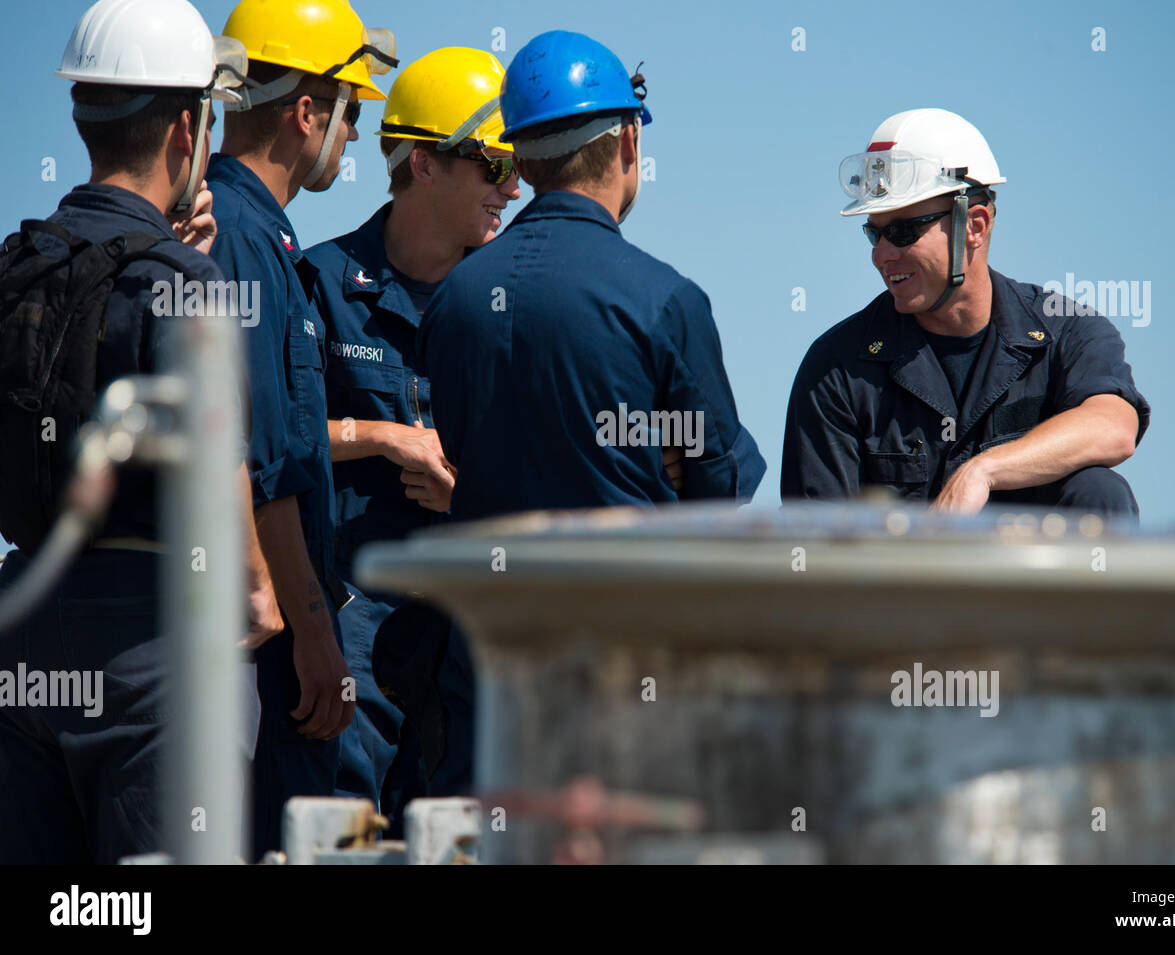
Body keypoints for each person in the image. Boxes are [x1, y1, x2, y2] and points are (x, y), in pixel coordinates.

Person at [0, 0, 274, 863]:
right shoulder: (184, 281)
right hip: (153, 647)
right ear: (186, 131)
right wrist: (260, 587)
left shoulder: (16, 269)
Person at [415, 30, 765, 523]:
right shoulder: (664, 300)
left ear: (522, 161)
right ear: (628, 138)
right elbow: (720, 478)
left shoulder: (455, 295)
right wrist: (648, 437)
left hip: (486, 596)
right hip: (624, 594)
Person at [305, 47, 520, 819]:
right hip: (350, 628)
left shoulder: (511, 304)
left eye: (520, 164)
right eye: (495, 163)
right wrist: (384, 437)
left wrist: (471, 491)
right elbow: (267, 434)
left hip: (474, 633)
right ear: (424, 164)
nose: (514, 186)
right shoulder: (320, 285)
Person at [208, 0, 396, 856]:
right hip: (269, 643)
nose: (354, 135)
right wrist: (315, 627)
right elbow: (257, 460)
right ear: (306, 112)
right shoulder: (242, 237)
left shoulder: (246, 230)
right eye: (350, 110)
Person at [782, 108, 1149, 516]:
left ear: (974, 225)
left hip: (1032, 579)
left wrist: (984, 470)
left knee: (1099, 490)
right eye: (875, 232)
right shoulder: (836, 369)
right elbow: (816, 547)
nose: (881, 256)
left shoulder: (1069, 332)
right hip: (899, 581)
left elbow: (1114, 428)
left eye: (903, 232)